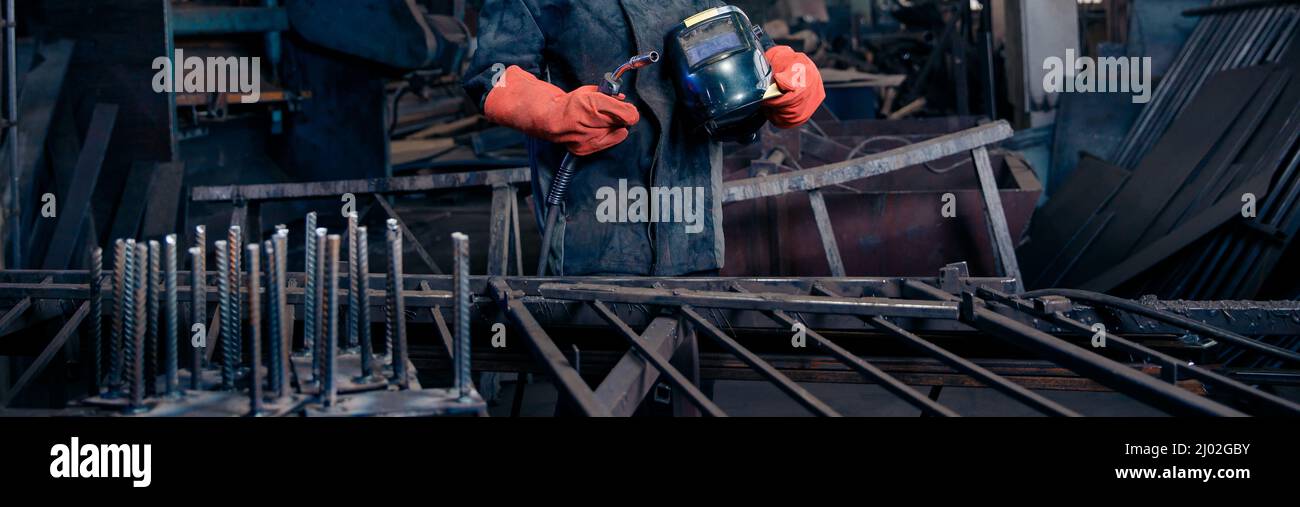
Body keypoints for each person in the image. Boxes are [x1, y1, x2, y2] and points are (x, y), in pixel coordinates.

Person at [464, 1, 824, 276]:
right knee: (596, 356)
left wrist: (782, 71)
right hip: (592, 226)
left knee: (685, 357)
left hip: (692, 226)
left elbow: (749, 39)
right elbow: (492, 73)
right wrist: (553, 109)